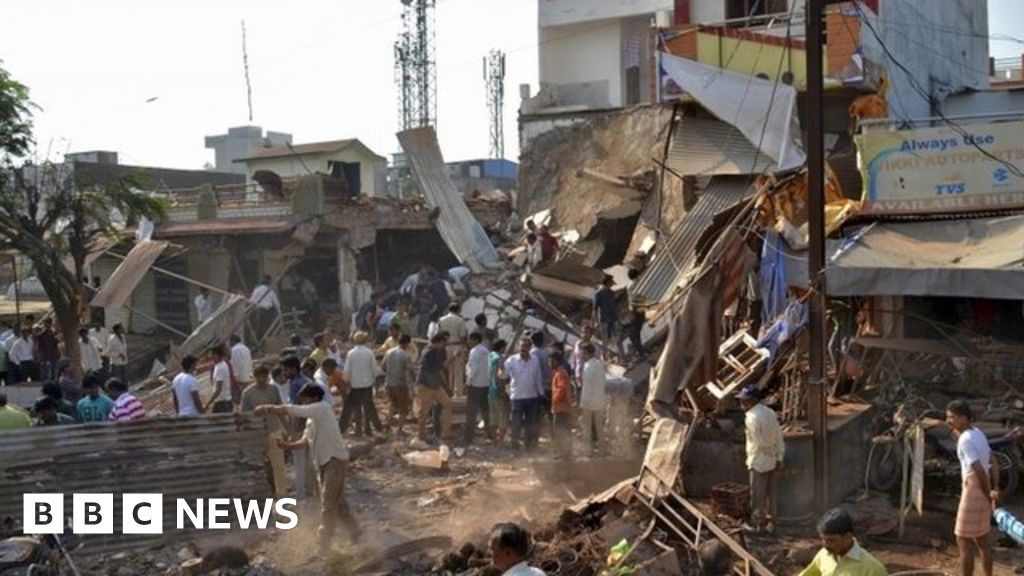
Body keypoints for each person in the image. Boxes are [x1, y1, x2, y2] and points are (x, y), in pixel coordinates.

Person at [256, 384, 361, 554]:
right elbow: (305, 441)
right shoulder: (313, 420)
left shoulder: (323, 408)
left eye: (304, 399)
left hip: (334, 460)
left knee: (327, 504)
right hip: (324, 463)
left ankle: (323, 545)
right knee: (337, 503)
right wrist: (287, 446)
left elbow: (293, 410)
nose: (302, 402)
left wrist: (269, 408)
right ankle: (355, 532)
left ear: (312, 398)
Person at [947, 399, 999, 576]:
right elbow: (992, 460)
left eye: (952, 417)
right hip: (983, 486)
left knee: (962, 539)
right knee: (982, 540)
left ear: (963, 418)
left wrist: (987, 494)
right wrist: (994, 488)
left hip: (974, 489)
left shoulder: (965, 440)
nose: (948, 421)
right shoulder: (978, 432)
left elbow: (976, 468)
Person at [737, 384, 785, 533]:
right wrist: (779, 456)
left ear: (752, 401)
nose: (742, 404)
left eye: (744, 401)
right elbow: (779, 435)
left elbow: (759, 442)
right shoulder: (770, 412)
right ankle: (773, 524)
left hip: (758, 460)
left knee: (758, 496)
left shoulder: (751, 417)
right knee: (772, 494)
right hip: (772, 461)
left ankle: (758, 526)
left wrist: (770, 453)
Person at [242, 363, 288, 498]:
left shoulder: (273, 389)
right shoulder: (248, 393)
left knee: (278, 464)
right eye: (259, 377)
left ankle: (282, 494)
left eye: (264, 377)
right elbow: (244, 415)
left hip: (274, 429)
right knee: (261, 465)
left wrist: (286, 429)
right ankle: (266, 492)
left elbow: (280, 409)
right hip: (257, 433)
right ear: (255, 377)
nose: (262, 380)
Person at [798, 508, 887, 576]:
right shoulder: (823, 555)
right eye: (823, 539)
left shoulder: (871, 568)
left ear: (848, 537)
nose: (825, 545)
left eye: (831, 540)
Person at [340, 332, 383, 437]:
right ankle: (368, 428)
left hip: (355, 385)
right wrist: (376, 377)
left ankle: (358, 430)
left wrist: (346, 381)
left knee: (356, 408)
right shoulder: (369, 352)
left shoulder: (351, 353)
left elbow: (346, 371)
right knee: (368, 407)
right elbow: (374, 368)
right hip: (367, 385)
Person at [504, 337, 544, 451]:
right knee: (516, 424)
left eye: (526, 346)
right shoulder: (511, 360)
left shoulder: (535, 359)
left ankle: (528, 446)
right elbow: (503, 376)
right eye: (522, 346)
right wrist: (501, 369)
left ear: (530, 348)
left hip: (532, 396)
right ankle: (515, 447)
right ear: (518, 347)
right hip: (517, 397)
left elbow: (538, 378)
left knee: (529, 424)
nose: (523, 348)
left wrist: (540, 393)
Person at [417, 333, 453, 441]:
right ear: (439, 342)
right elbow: (441, 371)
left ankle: (444, 432)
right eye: (444, 343)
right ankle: (422, 435)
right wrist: (447, 387)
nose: (444, 346)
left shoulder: (428, 350)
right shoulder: (431, 352)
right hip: (427, 386)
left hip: (433, 385)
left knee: (447, 404)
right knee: (424, 411)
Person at [382, 334, 415, 435]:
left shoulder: (389, 352)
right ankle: (399, 429)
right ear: (407, 344)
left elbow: (383, 366)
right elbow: (410, 370)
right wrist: (412, 383)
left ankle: (387, 424)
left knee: (393, 404)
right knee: (403, 408)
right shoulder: (405, 355)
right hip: (400, 383)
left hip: (388, 382)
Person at [464, 332, 492, 445]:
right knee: (485, 411)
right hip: (485, 384)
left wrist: (468, 382)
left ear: (475, 340)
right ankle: (489, 433)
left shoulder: (474, 351)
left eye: (470, 339)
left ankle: (468, 437)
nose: (468, 342)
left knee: (471, 412)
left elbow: (473, 369)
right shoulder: (485, 351)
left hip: (475, 385)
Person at [579, 343, 607, 456]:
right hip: (599, 401)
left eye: (583, 353)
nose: (582, 355)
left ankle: (587, 451)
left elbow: (587, 386)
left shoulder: (588, 367)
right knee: (599, 427)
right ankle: (602, 450)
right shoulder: (600, 365)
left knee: (587, 428)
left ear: (588, 353)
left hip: (588, 402)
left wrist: (583, 403)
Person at [439, 303, 468, 395]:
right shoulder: (460, 320)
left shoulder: (441, 320)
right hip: (457, 346)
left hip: (445, 346)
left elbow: (439, 334)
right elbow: (463, 336)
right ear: (458, 310)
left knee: (447, 371)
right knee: (458, 372)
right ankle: (457, 393)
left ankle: (448, 392)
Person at [550, 351, 573, 460]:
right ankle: (565, 452)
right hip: (562, 406)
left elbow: (561, 389)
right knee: (562, 429)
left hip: (561, 407)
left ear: (556, 361)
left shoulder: (560, 374)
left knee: (560, 430)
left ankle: (563, 452)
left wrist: (554, 400)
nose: (550, 363)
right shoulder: (560, 373)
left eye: (552, 360)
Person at [488, 340, 510, 446]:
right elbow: (500, 376)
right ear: (502, 348)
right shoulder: (499, 359)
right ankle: (501, 441)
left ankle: (494, 441)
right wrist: (503, 391)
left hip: (490, 390)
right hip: (498, 390)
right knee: (503, 417)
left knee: (493, 416)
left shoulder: (490, 356)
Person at [208, 344, 234, 414]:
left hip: (222, 402)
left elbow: (218, 389)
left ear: (219, 355)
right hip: (222, 400)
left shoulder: (220, 368)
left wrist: (208, 403)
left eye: (213, 354)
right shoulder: (219, 365)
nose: (211, 357)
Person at [592, 276, 618, 346]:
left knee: (615, 337)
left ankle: (612, 347)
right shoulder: (598, 294)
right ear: (608, 283)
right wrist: (596, 322)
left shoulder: (612, 293)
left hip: (613, 318)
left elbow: (613, 306)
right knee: (606, 337)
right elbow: (595, 309)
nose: (612, 285)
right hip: (604, 319)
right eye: (611, 283)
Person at [230, 335, 253, 409]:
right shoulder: (246, 348)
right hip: (247, 377)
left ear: (233, 341)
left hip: (239, 378)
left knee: (237, 400)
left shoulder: (234, 349)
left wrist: (235, 379)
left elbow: (235, 365)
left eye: (230, 342)